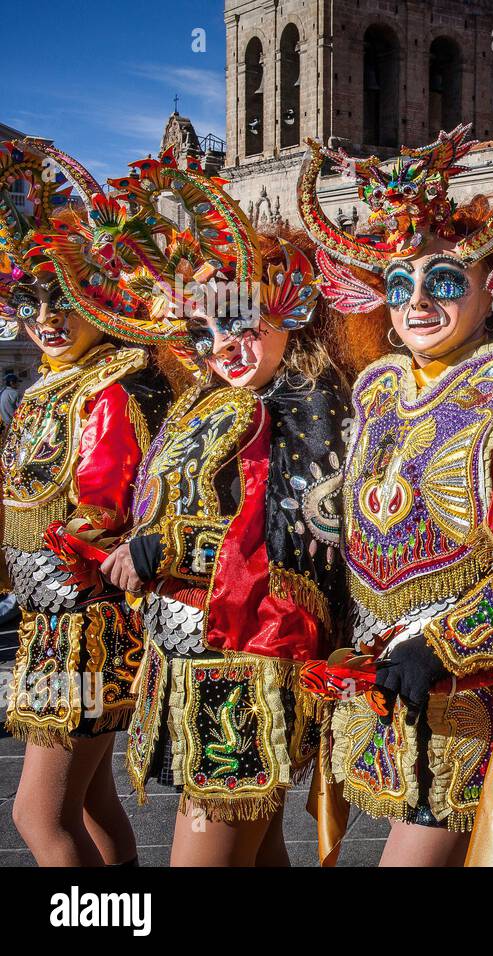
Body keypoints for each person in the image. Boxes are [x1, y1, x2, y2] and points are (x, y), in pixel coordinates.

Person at [34, 146, 349, 866]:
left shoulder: (302, 407)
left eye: (238, 323)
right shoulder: (211, 401)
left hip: (245, 667)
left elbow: (297, 544)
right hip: (191, 658)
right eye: (202, 334)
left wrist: (166, 549)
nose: (222, 348)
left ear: (284, 309)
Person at [298, 117, 493, 865]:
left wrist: (440, 645)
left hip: (476, 702)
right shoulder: (382, 392)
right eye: (400, 285)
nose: (417, 303)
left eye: (442, 282)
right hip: (389, 690)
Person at [1, 139, 171, 865]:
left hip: (83, 628)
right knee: (89, 805)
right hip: (53, 621)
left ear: (100, 298)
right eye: (32, 302)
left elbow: (103, 506)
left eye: (65, 301)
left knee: (38, 816)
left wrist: (46, 556)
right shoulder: (47, 386)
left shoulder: (114, 382)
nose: (47, 319)